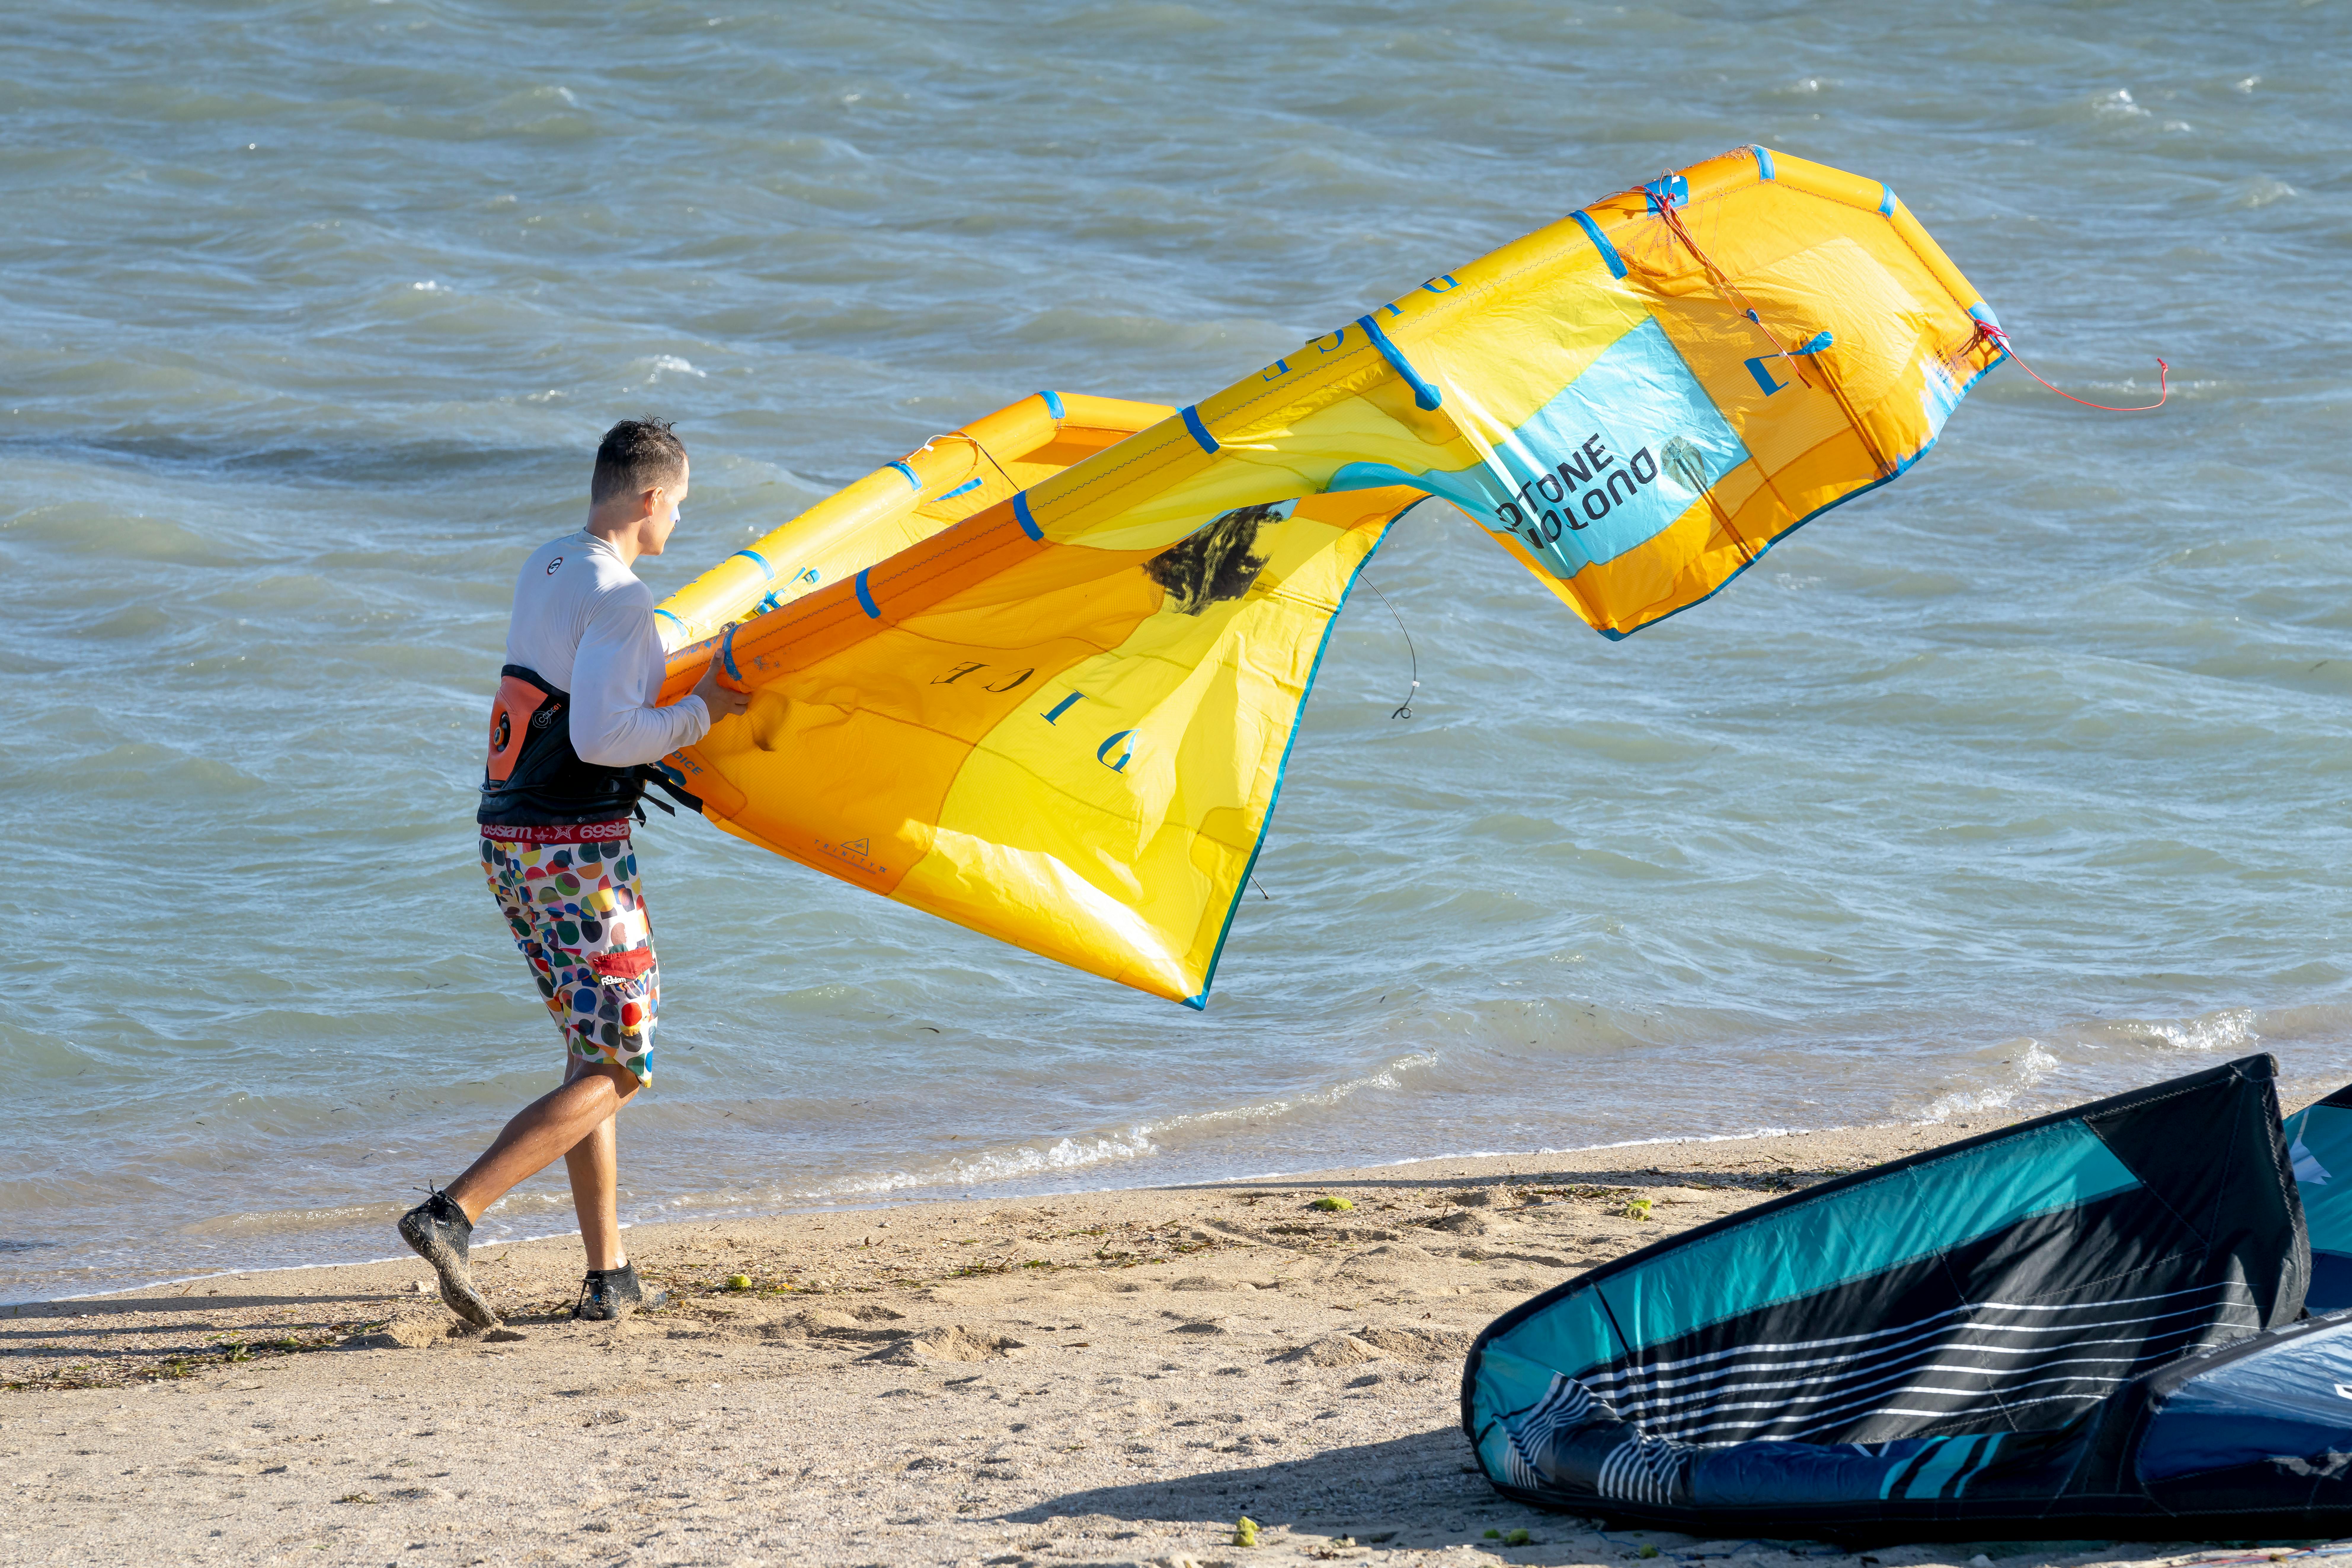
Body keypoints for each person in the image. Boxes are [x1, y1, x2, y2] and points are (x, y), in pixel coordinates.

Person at [398, 418, 752, 1325]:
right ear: (651, 498)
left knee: (587, 1050)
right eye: (682, 503)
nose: (681, 520)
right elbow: (601, 735)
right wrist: (700, 714)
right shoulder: (624, 596)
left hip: (509, 838)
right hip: (575, 850)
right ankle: (454, 1212)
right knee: (624, 1060)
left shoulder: (550, 563)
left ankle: (610, 1274)